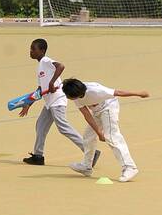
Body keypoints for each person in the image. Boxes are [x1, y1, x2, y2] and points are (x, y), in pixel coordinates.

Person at [61, 78, 149, 182]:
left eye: (68, 96)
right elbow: (87, 115)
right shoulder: (76, 97)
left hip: (108, 108)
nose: (67, 97)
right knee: (88, 136)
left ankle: (130, 167)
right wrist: (98, 132)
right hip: (96, 111)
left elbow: (118, 92)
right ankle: (86, 166)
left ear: (76, 94)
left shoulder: (96, 91)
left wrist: (139, 93)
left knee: (112, 136)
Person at [19, 38, 86, 167]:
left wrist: (51, 82)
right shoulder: (40, 67)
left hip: (57, 100)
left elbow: (61, 66)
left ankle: (90, 152)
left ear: (42, 50)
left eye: (33, 49)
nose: (31, 51)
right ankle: (38, 156)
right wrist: (29, 103)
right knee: (40, 125)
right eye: (30, 49)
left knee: (63, 128)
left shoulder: (45, 61)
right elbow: (40, 90)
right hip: (49, 103)